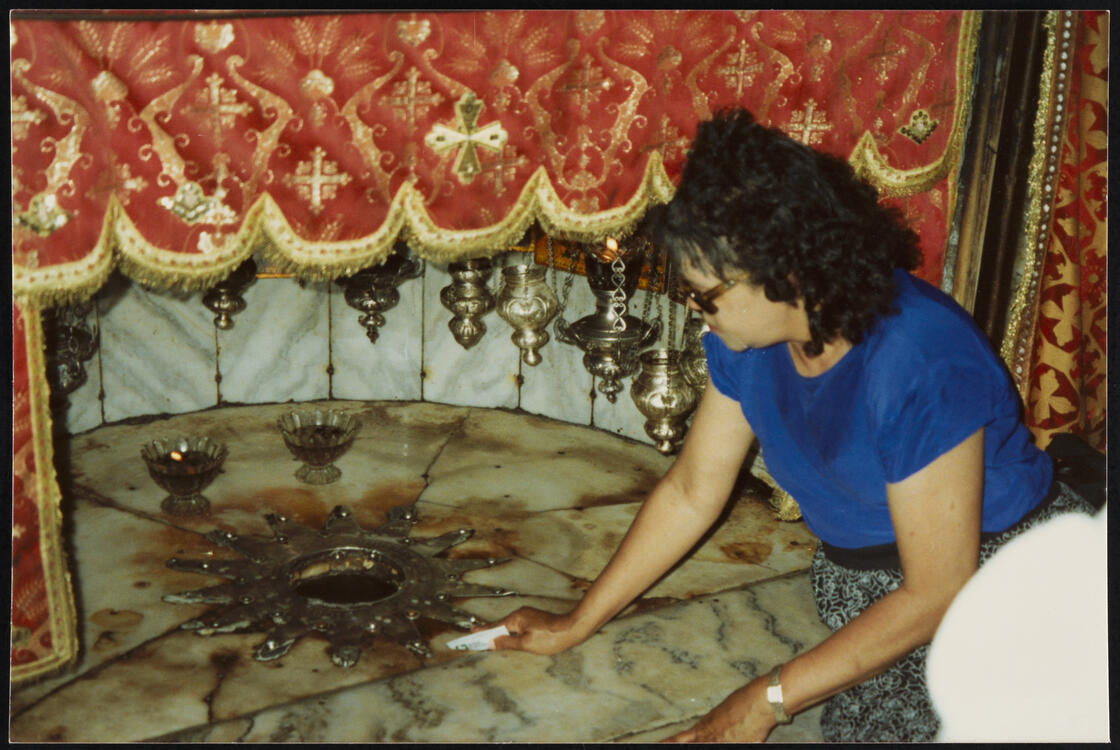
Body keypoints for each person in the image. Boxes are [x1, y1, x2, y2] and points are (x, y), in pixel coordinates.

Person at [488, 108, 1097, 742]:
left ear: (789, 276)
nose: (696, 314)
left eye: (706, 296)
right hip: (885, 593)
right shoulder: (749, 343)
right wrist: (579, 620)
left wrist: (762, 702)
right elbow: (694, 490)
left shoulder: (916, 359)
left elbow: (938, 590)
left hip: (1004, 587)